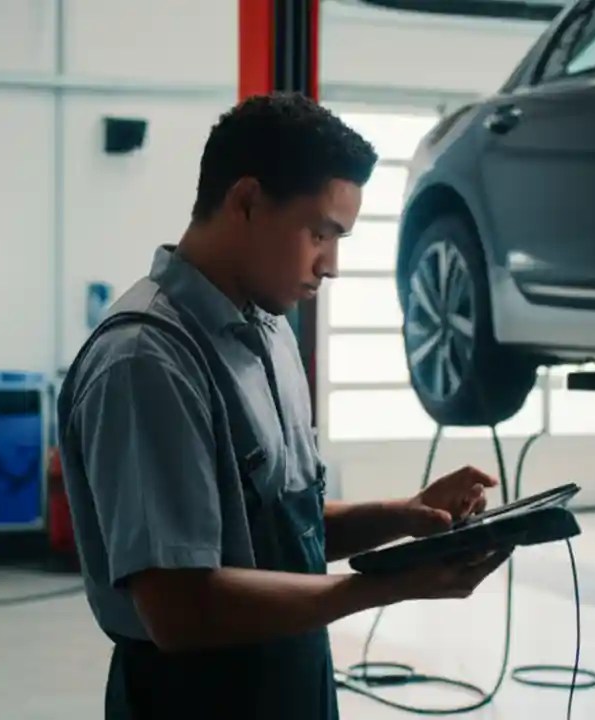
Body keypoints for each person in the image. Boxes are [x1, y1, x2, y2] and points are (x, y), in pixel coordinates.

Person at [57, 93, 512, 720]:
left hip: (290, 680)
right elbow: (179, 608)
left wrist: (404, 516)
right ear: (246, 201)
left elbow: (275, 531)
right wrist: (382, 586)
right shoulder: (148, 361)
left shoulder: (268, 333)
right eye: (319, 232)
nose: (332, 265)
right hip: (196, 701)